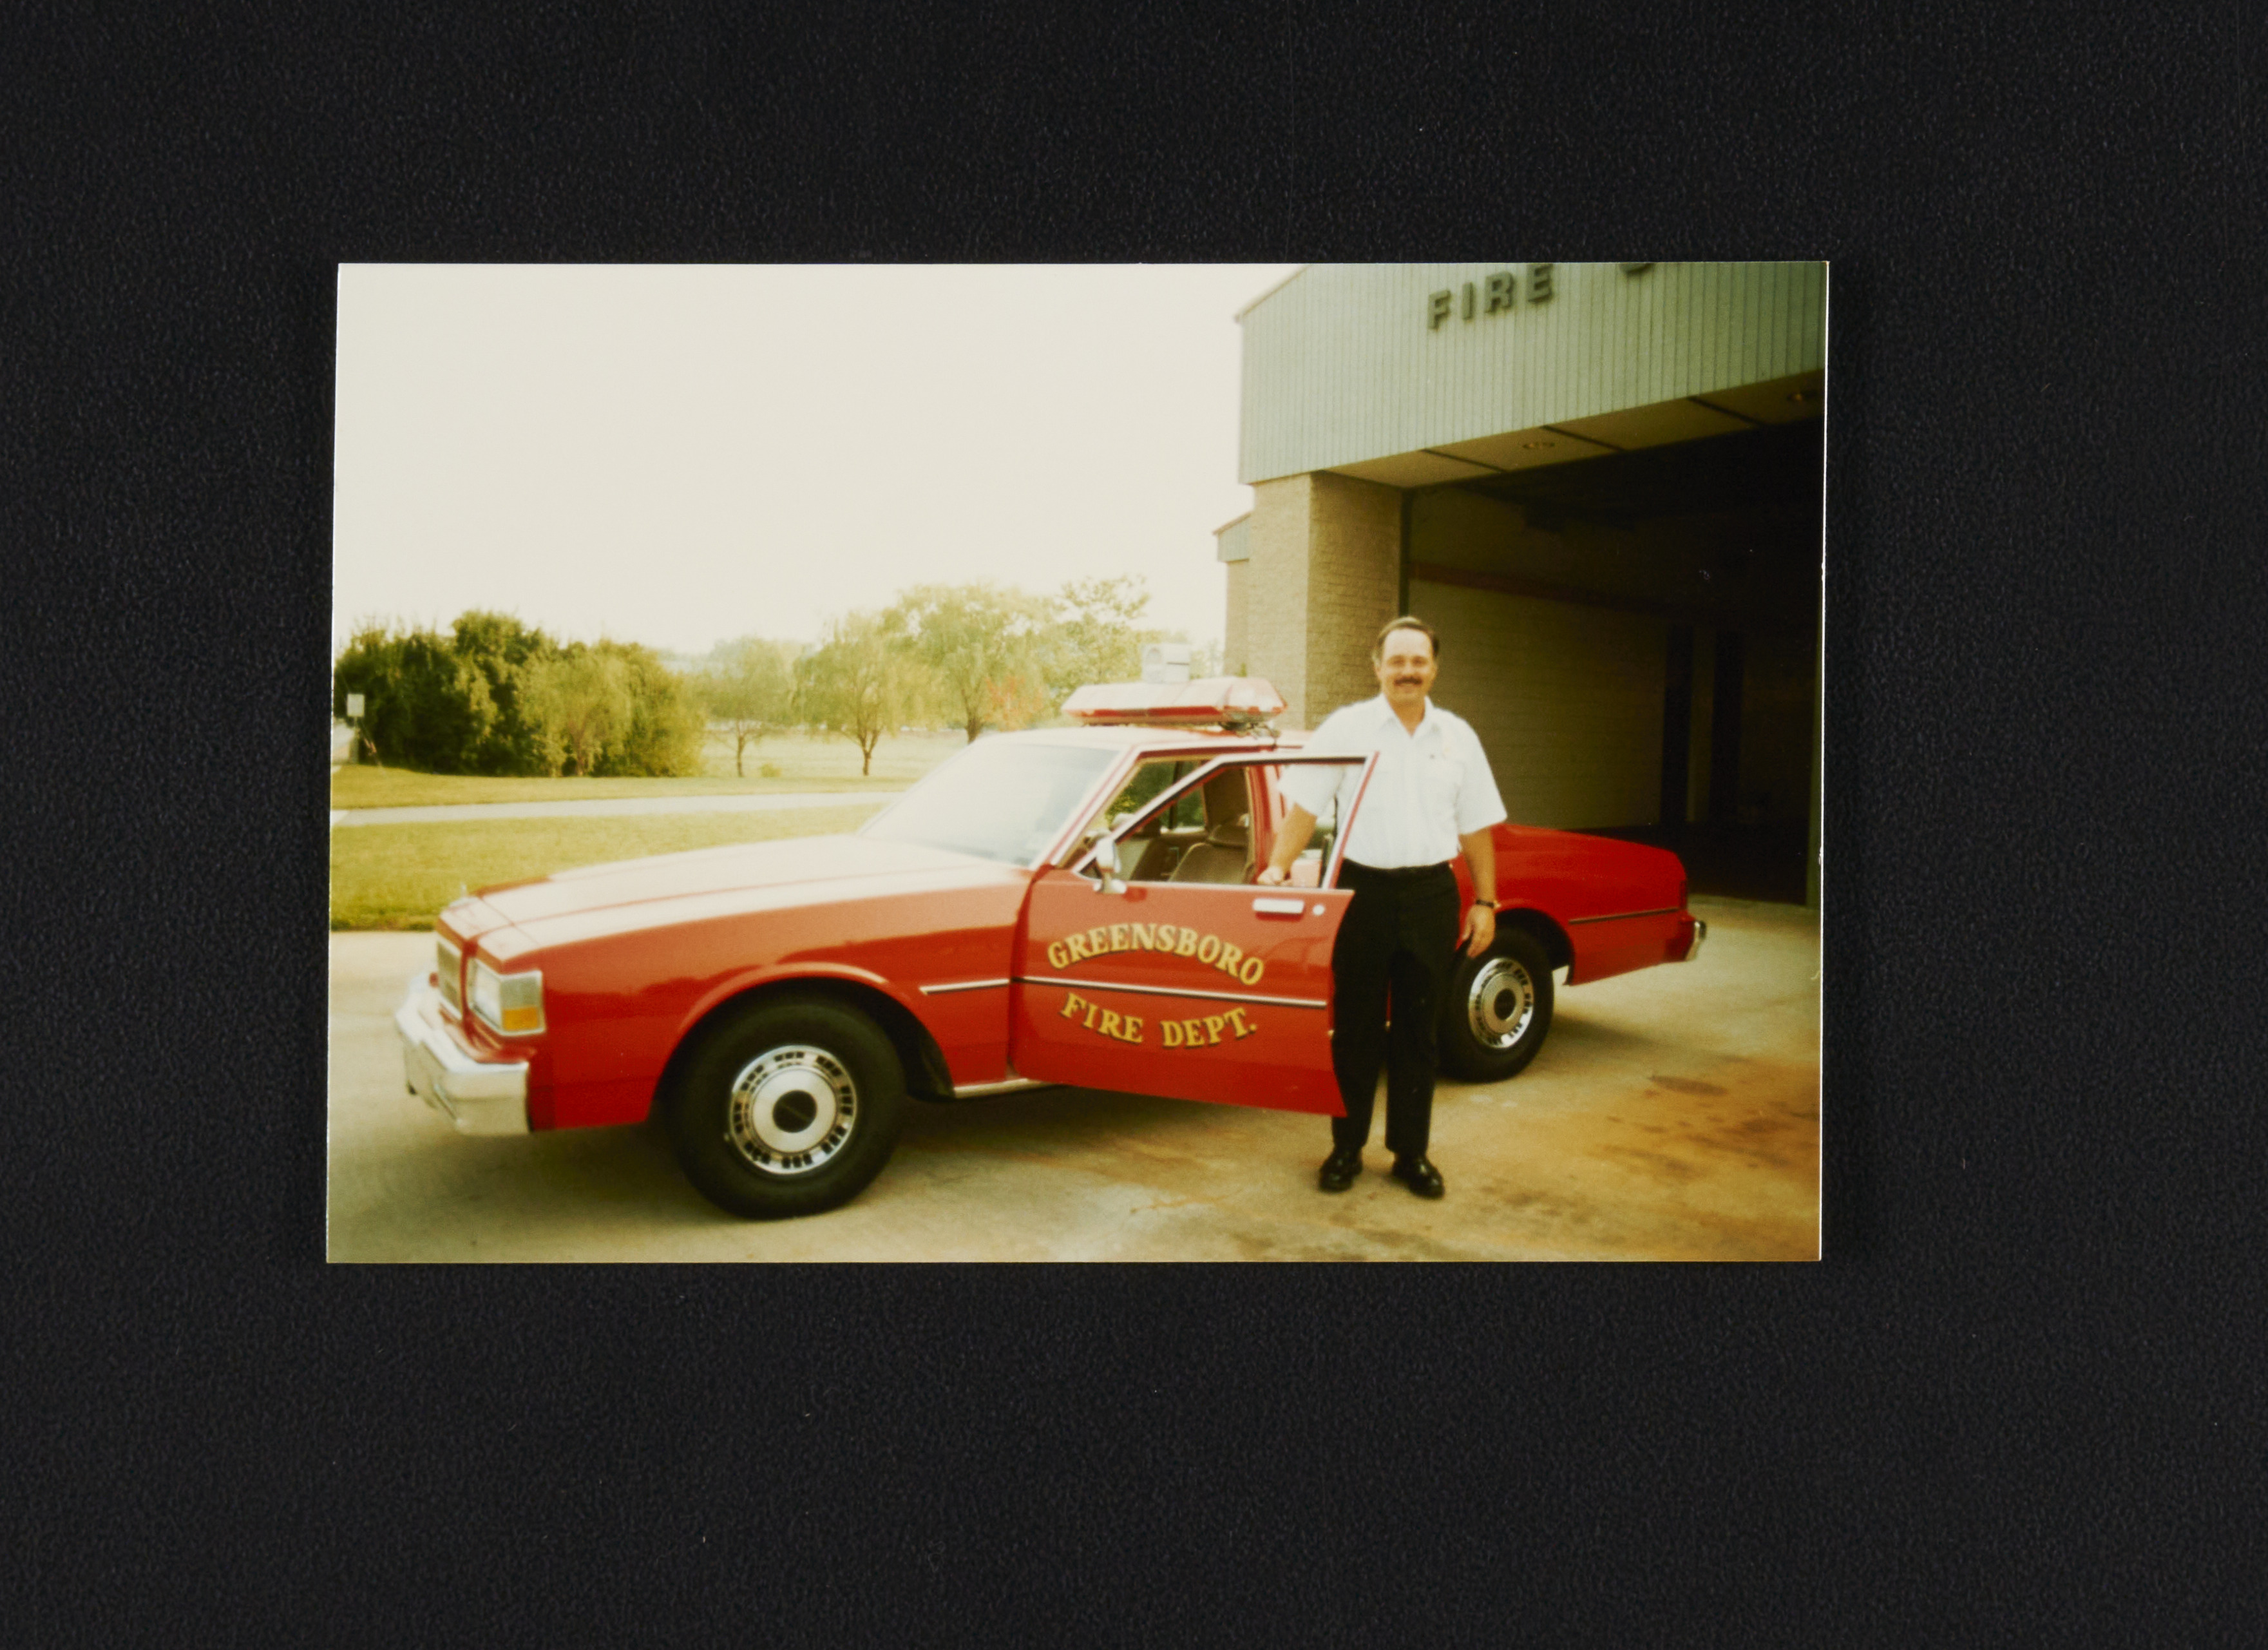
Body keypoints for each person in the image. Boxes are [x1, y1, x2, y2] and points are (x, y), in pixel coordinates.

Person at [1258, 617, 1507, 1198]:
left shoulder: (1457, 737)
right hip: (1360, 893)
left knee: (1420, 1031)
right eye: (1396, 661)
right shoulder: (1346, 727)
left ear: (1434, 668)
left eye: (1418, 661)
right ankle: (1345, 1149)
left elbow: (1475, 828)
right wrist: (1275, 868)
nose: (1407, 672)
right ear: (1376, 667)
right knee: (1356, 1030)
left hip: (1430, 895)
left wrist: (1486, 902)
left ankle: (1410, 1154)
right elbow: (1303, 807)